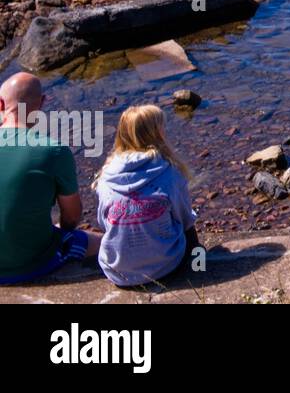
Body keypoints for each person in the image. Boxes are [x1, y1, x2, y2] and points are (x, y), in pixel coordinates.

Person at [0, 72, 100, 284]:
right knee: (104, 241)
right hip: (31, 265)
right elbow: (71, 218)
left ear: (0, 104)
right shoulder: (53, 150)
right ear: (43, 103)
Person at [95, 105, 198, 288]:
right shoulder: (169, 172)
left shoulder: (106, 176)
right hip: (166, 267)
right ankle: (201, 266)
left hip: (118, 273)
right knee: (192, 239)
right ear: (158, 134)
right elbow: (184, 219)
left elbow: (104, 222)